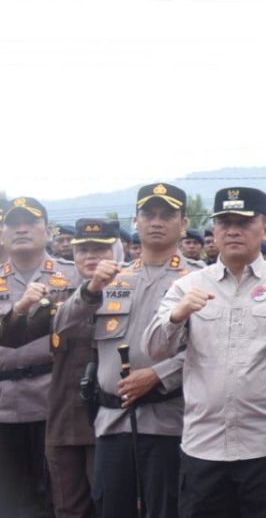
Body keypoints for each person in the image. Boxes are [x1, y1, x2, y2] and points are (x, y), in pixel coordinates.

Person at [145, 186, 266, 518]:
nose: (233, 230)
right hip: (202, 446)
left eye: (243, 222)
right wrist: (177, 315)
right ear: (214, 230)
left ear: (265, 228)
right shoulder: (187, 286)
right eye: (224, 223)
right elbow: (153, 349)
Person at [55, 183, 204, 518]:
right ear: (135, 221)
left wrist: (157, 374)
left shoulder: (200, 279)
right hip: (112, 423)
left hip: (169, 422)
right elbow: (61, 328)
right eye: (148, 214)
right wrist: (90, 290)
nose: (156, 221)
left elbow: (209, 351)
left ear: (183, 222)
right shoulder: (112, 278)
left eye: (167, 214)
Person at [1, 219, 123, 518]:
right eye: (83, 250)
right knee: (66, 507)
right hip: (62, 419)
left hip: (110, 418)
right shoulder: (57, 294)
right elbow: (15, 338)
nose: (91, 257)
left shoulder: (127, 289)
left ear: (117, 251)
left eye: (100, 249)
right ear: (73, 255)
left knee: (110, 504)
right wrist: (19, 309)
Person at [0, 196, 80, 518]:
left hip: (55, 402)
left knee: (59, 498)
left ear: (47, 231)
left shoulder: (72, 276)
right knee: (10, 501)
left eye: (30, 222)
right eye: (12, 223)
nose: (21, 229)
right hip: (3, 408)